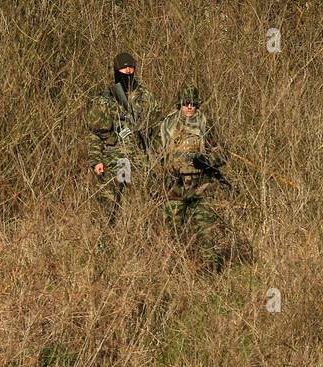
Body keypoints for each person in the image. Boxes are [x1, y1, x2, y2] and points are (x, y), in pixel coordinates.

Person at [158, 85, 228, 271]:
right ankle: (173, 271)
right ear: (179, 104)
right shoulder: (167, 124)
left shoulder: (206, 124)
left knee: (206, 231)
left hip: (200, 187)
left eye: (193, 104)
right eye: (185, 103)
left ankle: (212, 272)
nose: (189, 107)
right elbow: (157, 155)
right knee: (172, 231)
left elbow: (222, 154)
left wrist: (205, 160)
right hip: (175, 187)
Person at [85, 51, 160, 225]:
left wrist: (157, 157)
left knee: (148, 202)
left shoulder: (145, 96)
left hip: (142, 158)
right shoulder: (106, 99)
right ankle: (108, 244)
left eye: (130, 67)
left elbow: (157, 128)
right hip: (117, 159)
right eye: (123, 68)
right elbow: (96, 134)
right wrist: (96, 160)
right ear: (116, 70)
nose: (127, 71)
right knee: (112, 207)